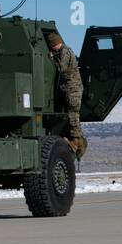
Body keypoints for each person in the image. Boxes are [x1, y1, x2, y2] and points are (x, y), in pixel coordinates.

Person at [45, 29, 86, 157]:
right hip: (71, 88)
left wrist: (51, 59)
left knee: (73, 115)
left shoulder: (64, 52)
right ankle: (78, 143)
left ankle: (76, 143)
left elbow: (61, 68)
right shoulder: (66, 50)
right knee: (72, 115)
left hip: (72, 88)